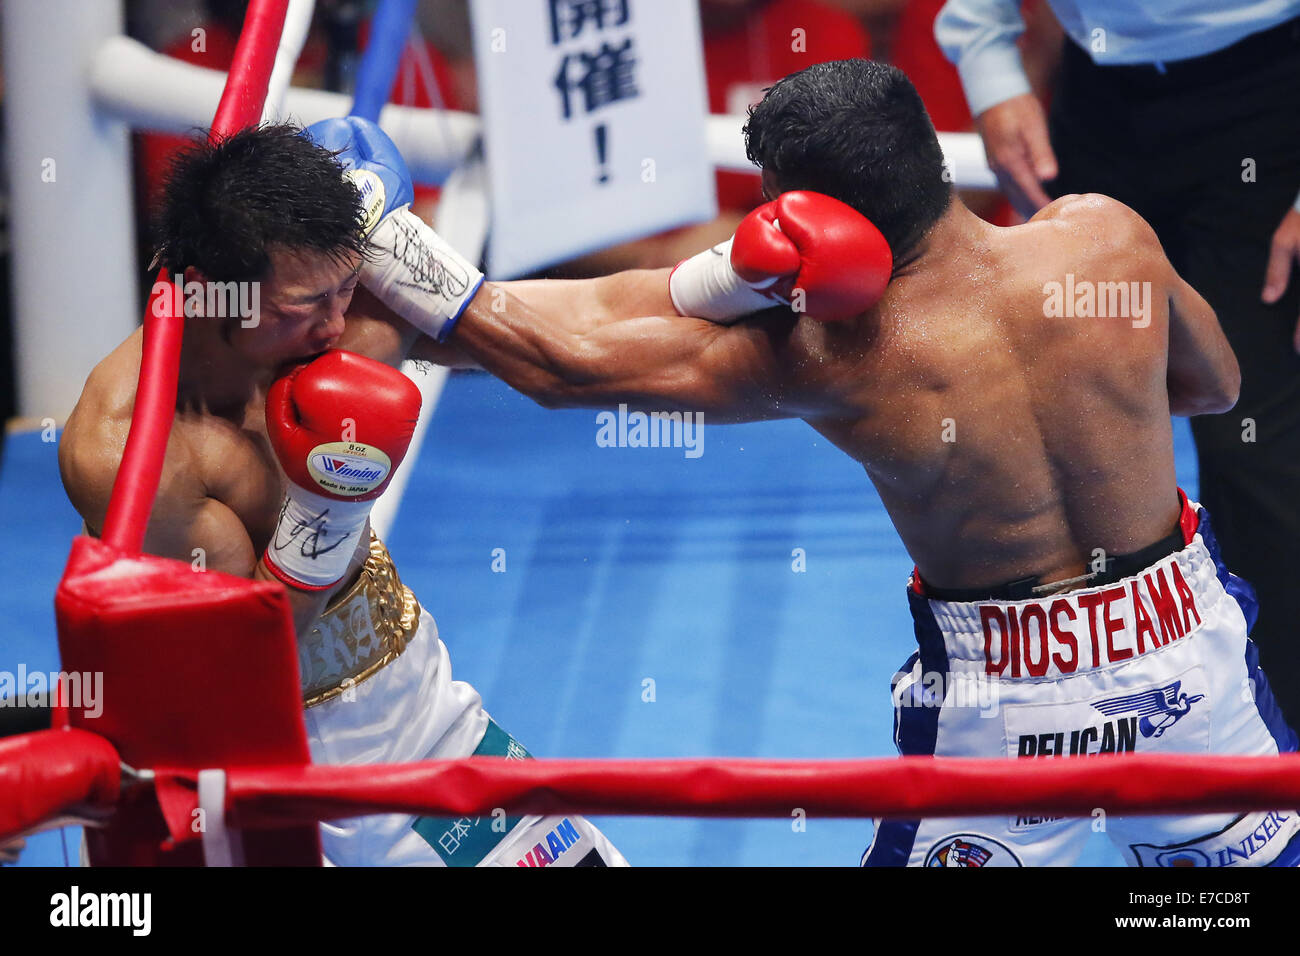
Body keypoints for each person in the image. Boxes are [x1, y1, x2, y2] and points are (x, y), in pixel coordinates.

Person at [353, 59, 1300, 866]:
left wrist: (385, 244)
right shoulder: (1108, 241)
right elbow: (1213, 387)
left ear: (801, 216)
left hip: (1005, 707)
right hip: (1188, 654)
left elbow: (566, 361)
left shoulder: (833, 352)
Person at [58, 123, 626, 868]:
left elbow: (546, 346)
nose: (335, 325)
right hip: (300, 769)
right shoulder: (134, 451)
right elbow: (251, 658)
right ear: (209, 292)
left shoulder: (310, 291)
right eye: (306, 305)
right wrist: (326, 507)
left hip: (421, 700)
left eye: (348, 286)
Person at [935, 0, 1300, 725]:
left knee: (1250, 441)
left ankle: (1276, 752)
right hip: (1098, 102)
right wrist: (990, 63)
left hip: (1273, 96)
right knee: (1076, 430)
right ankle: (1093, 717)